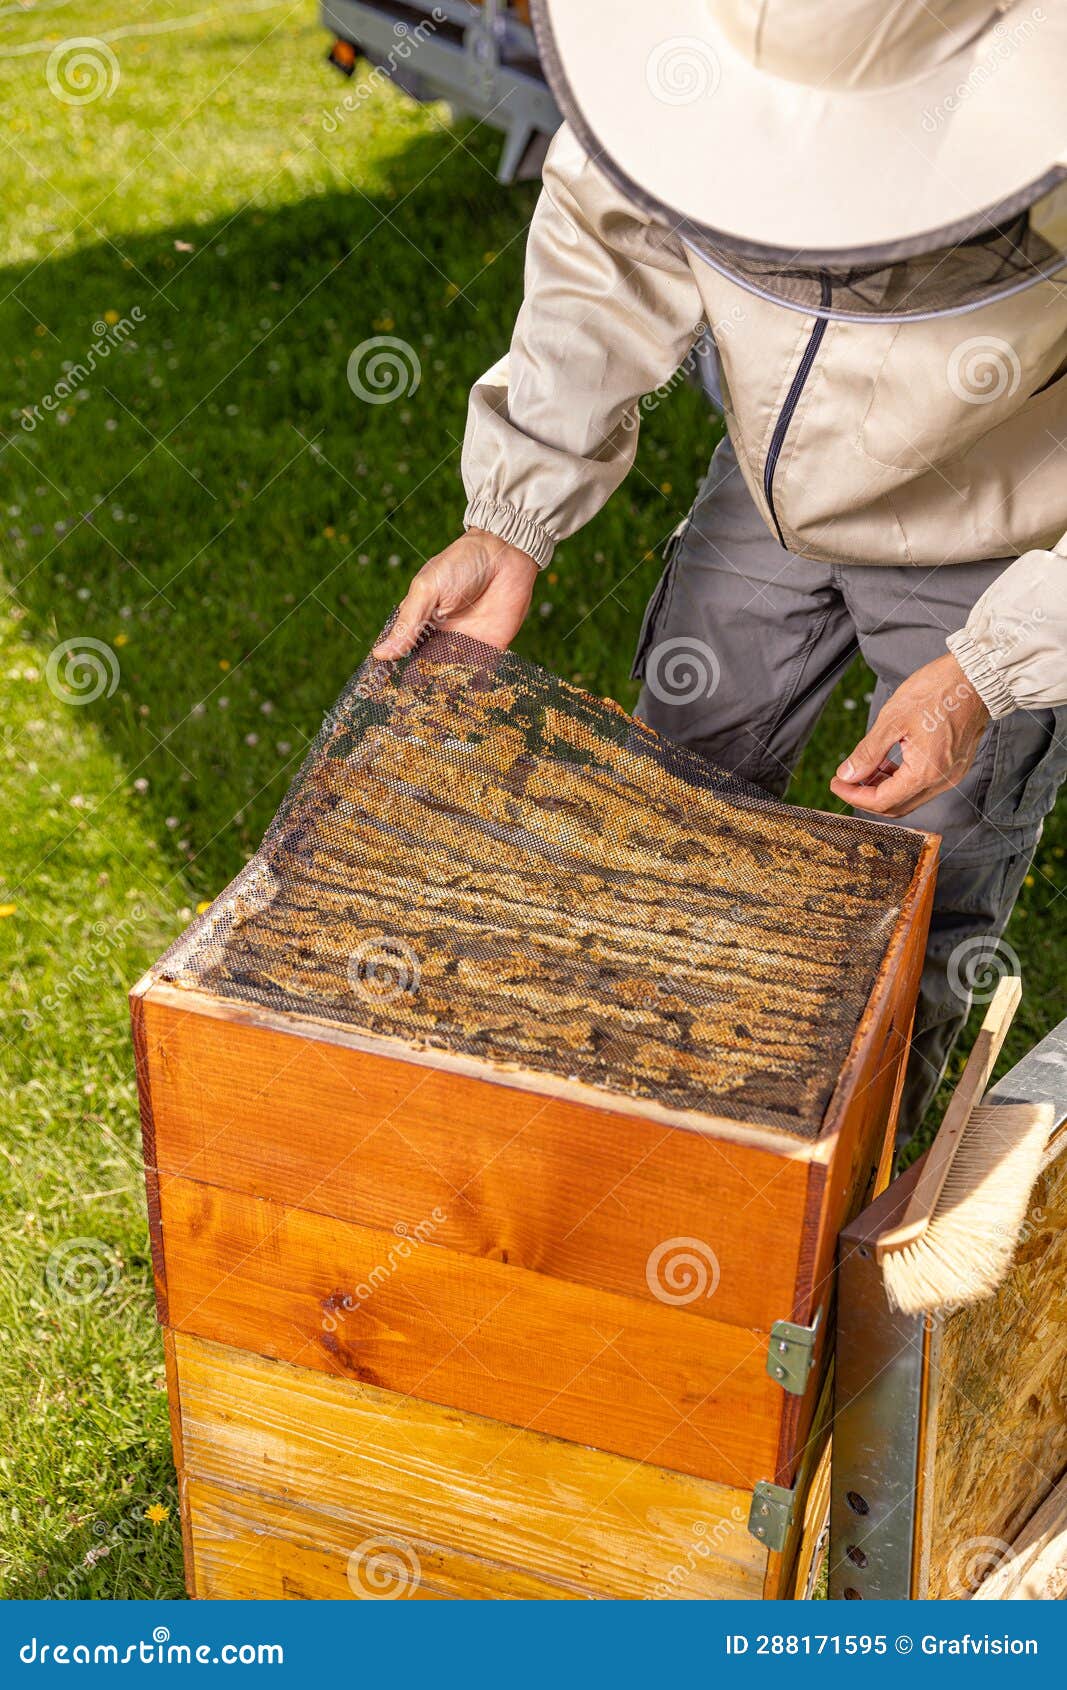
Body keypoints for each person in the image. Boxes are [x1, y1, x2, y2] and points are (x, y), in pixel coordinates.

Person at [375, 0, 1067, 1139]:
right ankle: (643, 1142)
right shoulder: (685, 41)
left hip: (995, 534)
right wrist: (512, 515)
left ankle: (830, 1233)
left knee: (914, 917)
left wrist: (991, 667)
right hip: (767, 488)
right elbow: (608, 246)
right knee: (665, 809)